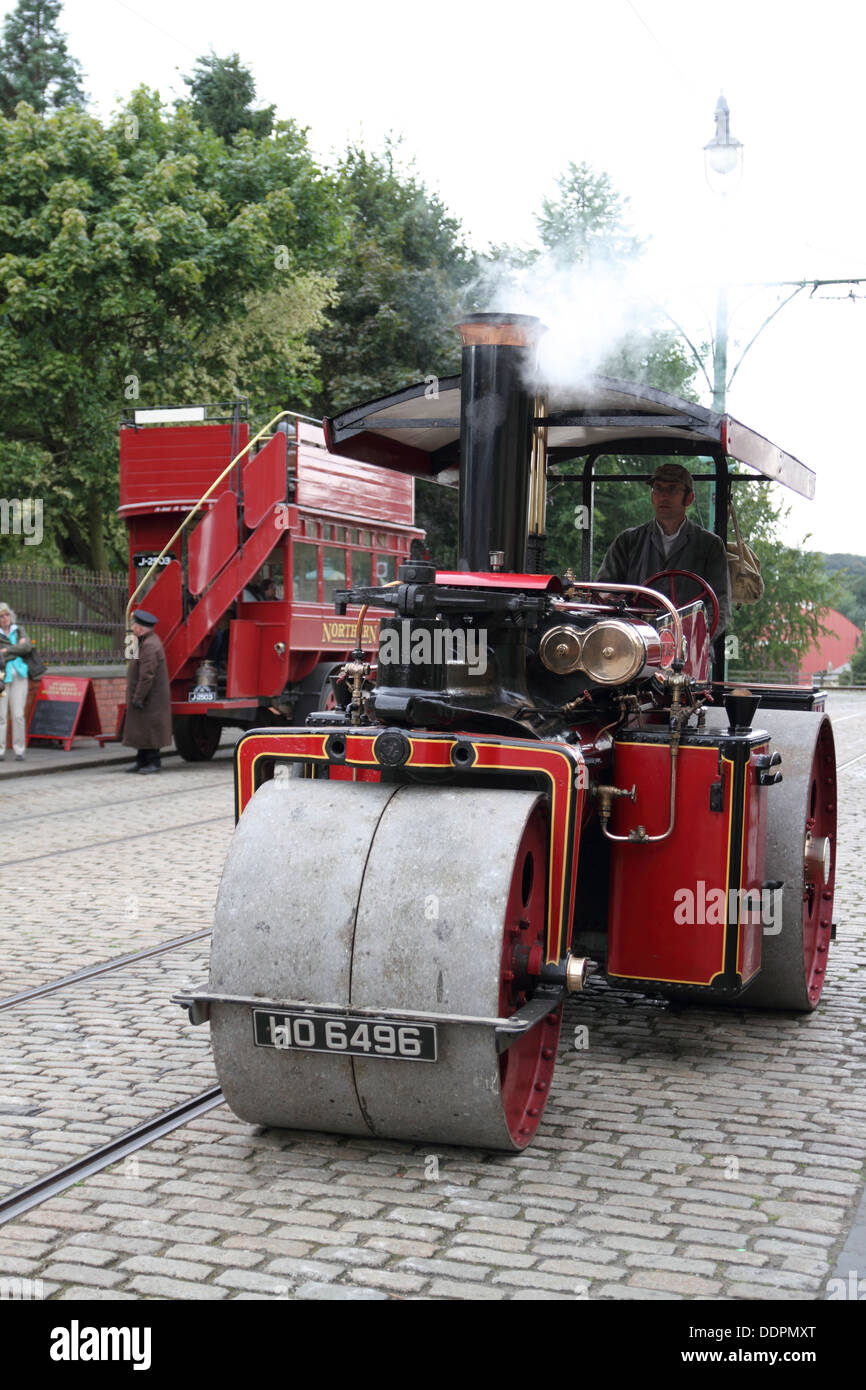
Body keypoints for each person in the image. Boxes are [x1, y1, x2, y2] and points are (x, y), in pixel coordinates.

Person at [595, 462, 731, 633]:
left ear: (689, 499)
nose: (663, 496)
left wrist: (697, 640)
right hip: (635, 646)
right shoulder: (628, 541)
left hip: (690, 650)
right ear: (652, 497)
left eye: (672, 489)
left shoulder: (710, 546)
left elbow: (721, 605)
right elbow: (603, 592)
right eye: (658, 489)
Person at [123, 609, 172, 773]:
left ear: (141, 628)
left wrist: (138, 697)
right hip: (147, 697)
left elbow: (147, 676)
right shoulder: (144, 642)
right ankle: (142, 760)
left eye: (134, 624)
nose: (132, 627)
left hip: (150, 698)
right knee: (142, 730)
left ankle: (153, 762)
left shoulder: (150, 646)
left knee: (150, 730)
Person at [0, 602, 32, 761]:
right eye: (1, 616)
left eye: (6, 615)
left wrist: (6, 651)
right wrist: (16, 649)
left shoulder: (19, 630)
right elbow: (19, 649)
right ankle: (0, 750)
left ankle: (19, 750)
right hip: (2, 678)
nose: (4, 618)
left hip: (20, 676)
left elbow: (27, 648)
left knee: (18, 715)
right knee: (1, 716)